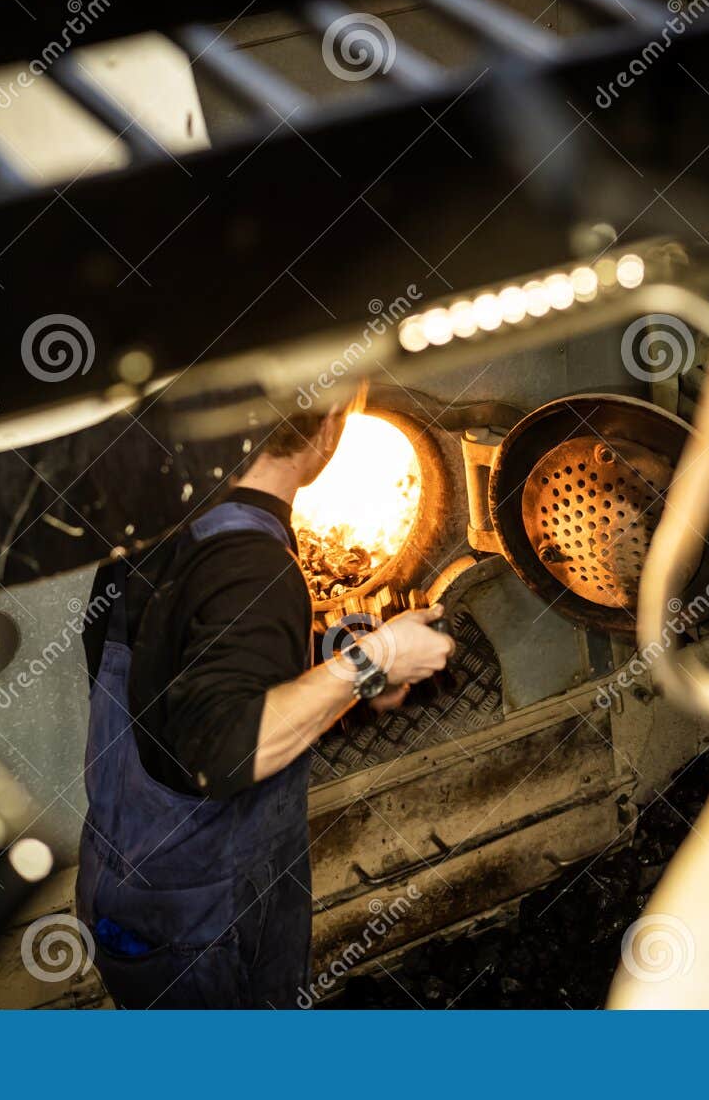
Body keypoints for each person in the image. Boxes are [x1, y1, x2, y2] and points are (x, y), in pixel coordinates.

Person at [75, 402, 454, 1008]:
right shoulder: (253, 565)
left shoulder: (160, 518)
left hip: (126, 888)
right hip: (206, 921)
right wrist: (373, 659)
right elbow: (224, 751)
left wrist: (341, 680)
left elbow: (169, 676)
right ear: (329, 426)